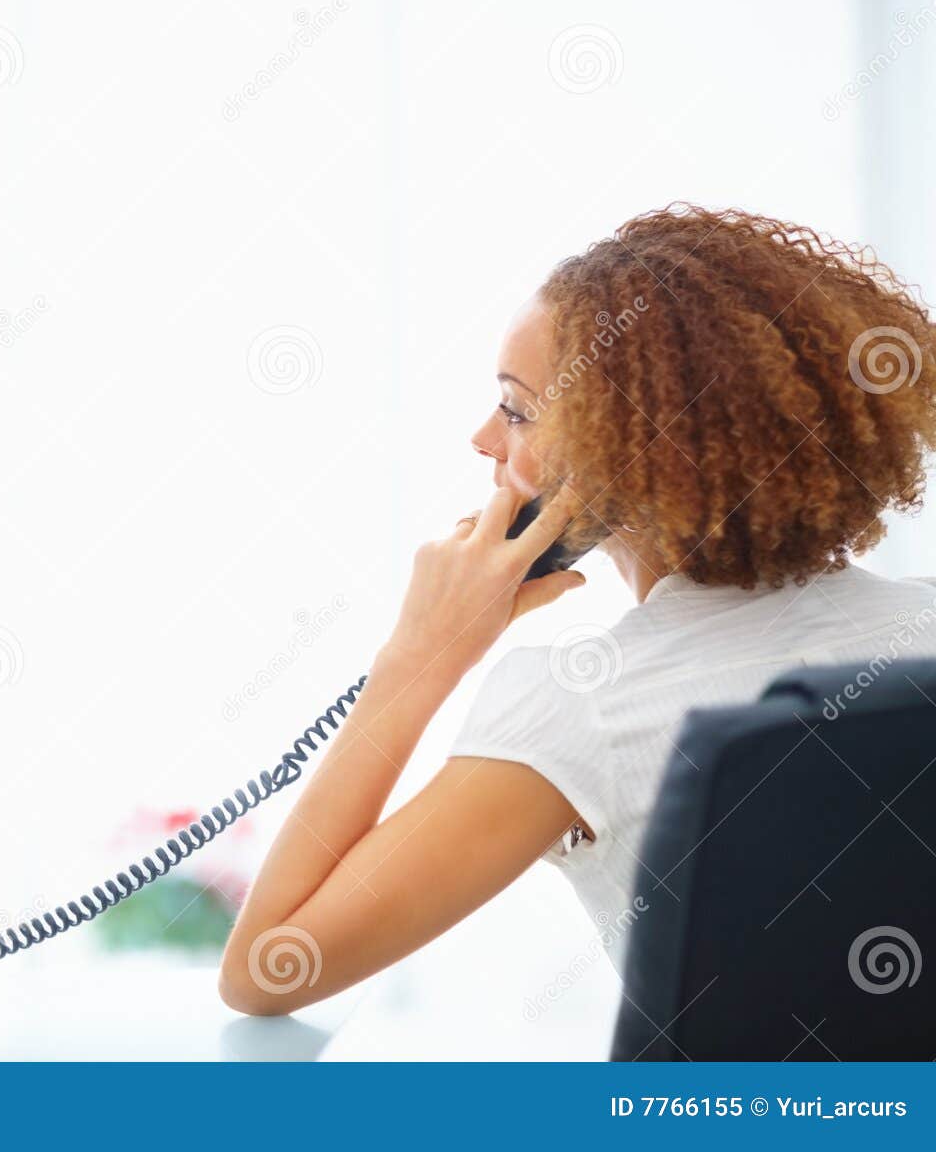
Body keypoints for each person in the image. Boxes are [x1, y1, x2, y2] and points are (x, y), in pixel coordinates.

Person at [218, 204, 936, 1015]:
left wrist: (419, 656)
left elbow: (265, 971)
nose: (484, 439)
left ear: (636, 452)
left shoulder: (581, 706)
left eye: (517, 411)